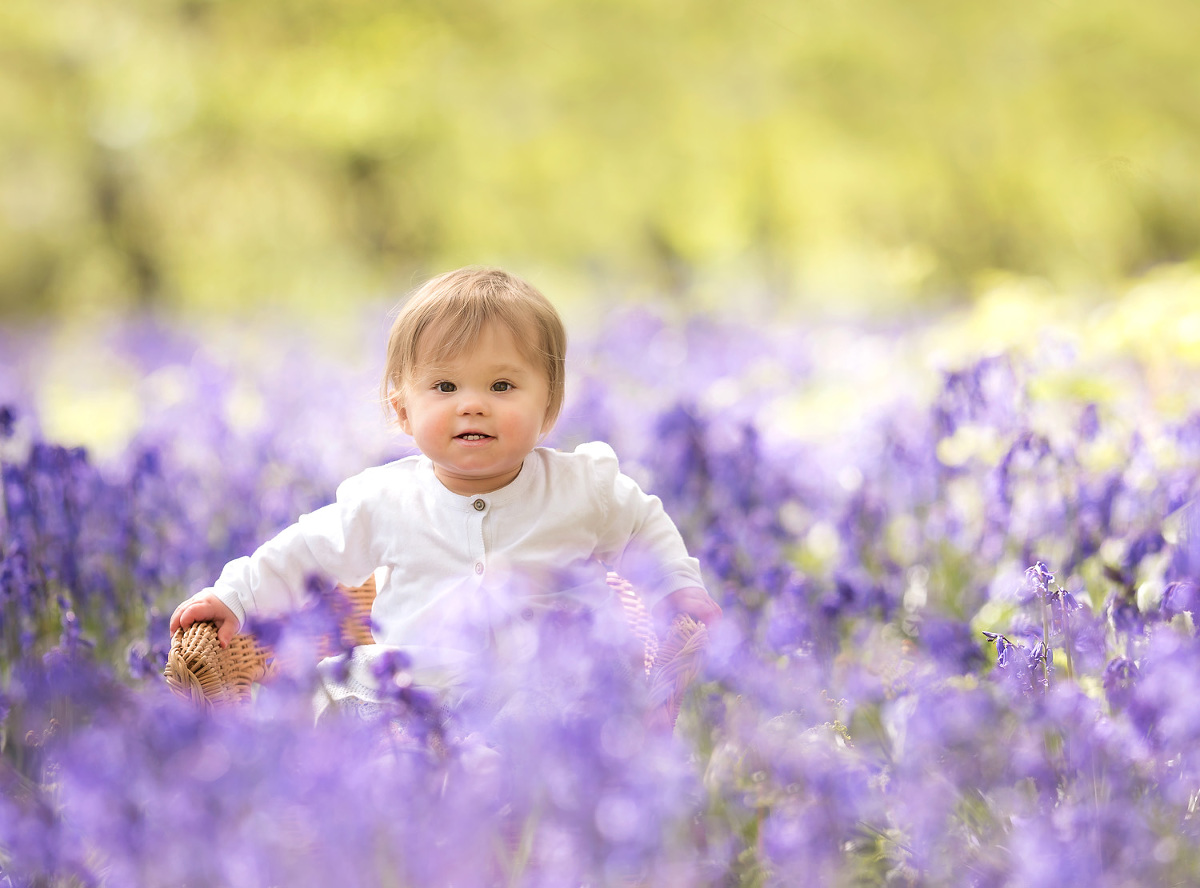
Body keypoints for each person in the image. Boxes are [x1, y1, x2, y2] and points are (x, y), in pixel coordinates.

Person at [169, 266, 721, 714]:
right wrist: (236, 597)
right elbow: (301, 555)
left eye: (502, 385)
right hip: (412, 691)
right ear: (403, 411)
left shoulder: (583, 487)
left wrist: (676, 583)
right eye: (445, 386)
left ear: (549, 406)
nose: (472, 403)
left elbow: (645, 524)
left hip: (544, 700)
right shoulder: (383, 499)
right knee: (340, 709)